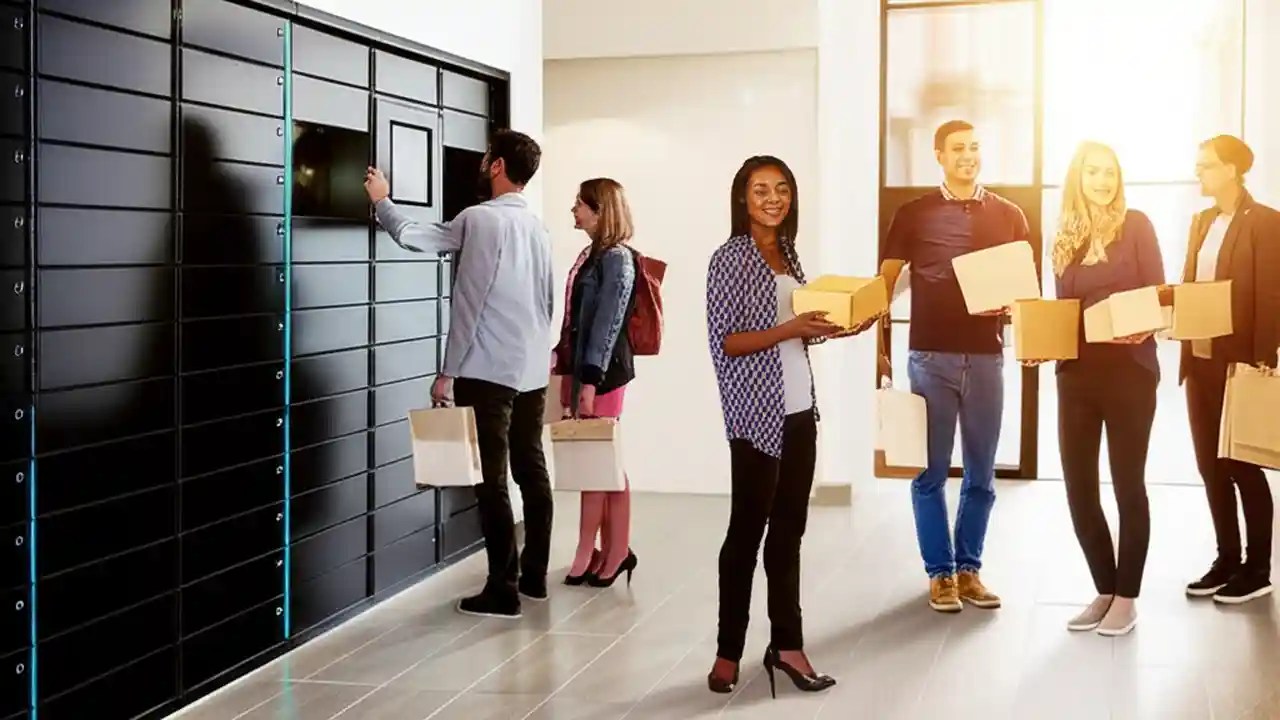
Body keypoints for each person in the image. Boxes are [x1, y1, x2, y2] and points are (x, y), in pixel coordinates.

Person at [363, 129, 555, 619]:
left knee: (491, 480)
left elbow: (429, 253)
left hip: (488, 370)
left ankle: (502, 590)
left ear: (498, 166)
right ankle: (534, 577)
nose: (484, 161)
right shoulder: (537, 227)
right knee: (530, 469)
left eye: (489, 156)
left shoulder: (479, 219)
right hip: (531, 369)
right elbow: (547, 301)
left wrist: (382, 201)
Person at [878, 119, 1030, 613]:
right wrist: (878, 349)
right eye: (958, 148)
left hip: (986, 356)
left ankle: (969, 569)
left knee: (982, 474)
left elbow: (1022, 290)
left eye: (975, 147)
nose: (968, 155)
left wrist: (1012, 308)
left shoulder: (1009, 215)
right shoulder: (913, 214)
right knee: (930, 472)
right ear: (939, 155)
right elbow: (884, 286)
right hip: (930, 357)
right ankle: (939, 574)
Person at [704, 155, 838, 698]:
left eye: (782, 189)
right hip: (756, 417)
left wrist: (830, 327)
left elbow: (792, 332)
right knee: (745, 534)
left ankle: (788, 646)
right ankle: (727, 652)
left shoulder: (788, 252)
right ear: (743, 197)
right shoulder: (729, 259)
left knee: (788, 534)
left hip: (800, 409)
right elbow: (726, 342)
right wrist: (790, 327)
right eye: (761, 190)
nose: (773, 199)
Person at [1045, 142, 1164, 636]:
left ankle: (1127, 598)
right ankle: (1105, 587)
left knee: (1128, 484)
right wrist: (1040, 342)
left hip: (1130, 372)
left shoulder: (1136, 225)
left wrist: (1144, 325)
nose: (1103, 181)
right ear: (1078, 177)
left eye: (1110, 172)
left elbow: (1157, 294)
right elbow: (1062, 312)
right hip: (1076, 375)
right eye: (1093, 172)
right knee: (1079, 488)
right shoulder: (1064, 237)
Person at [1181, 134, 1280, 605]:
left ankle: (1257, 570)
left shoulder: (1266, 222)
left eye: (1206, 165)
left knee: (1242, 464)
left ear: (1232, 170)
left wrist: (1263, 357)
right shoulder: (1201, 222)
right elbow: (1193, 285)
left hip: (1239, 361)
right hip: (1199, 359)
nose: (1198, 172)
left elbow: (1271, 293)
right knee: (1210, 466)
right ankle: (1226, 560)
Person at [553, 178, 639, 588]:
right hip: (586, 370)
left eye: (580, 204)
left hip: (603, 374)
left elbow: (607, 324)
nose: (574, 210)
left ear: (600, 211)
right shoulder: (591, 255)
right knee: (597, 461)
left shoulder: (617, 259)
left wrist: (589, 379)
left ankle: (602, 550)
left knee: (601, 461)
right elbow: (576, 321)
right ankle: (605, 549)